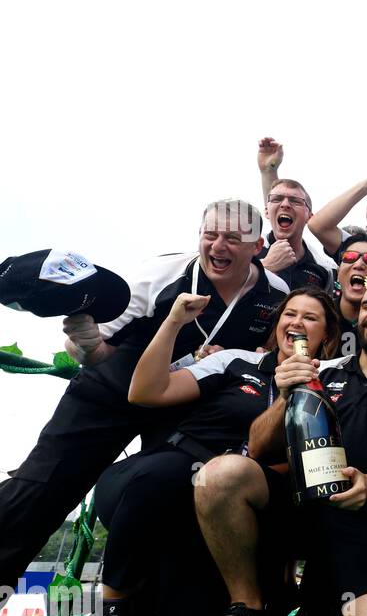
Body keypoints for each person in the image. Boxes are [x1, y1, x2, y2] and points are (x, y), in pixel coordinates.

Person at [0, 200, 289, 591]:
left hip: (181, 404)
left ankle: (142, 605)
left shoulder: (275, 293)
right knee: (43, 489)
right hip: (110, 393)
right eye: (210, 235)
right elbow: (97, 351)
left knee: (167, 494)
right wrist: (85, 345)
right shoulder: (160, 275)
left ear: (257, 247)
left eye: (233, 239)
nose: (218, 246)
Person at [78, 287, 340, 616]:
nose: (297, 322)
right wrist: (172, 323)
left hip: (219, 500)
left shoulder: (335, 375)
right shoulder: (236, 361)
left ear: (327, 336)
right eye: (289, 314)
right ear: (277, 324)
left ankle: (147, 609)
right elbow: (145, 392)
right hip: (160, 473)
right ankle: (113, 608)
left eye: (310, 318)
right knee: (166, 475)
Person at [173, 292, 367, 616]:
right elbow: (258, 449)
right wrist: (284, 396)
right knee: (219, 475)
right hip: (301, 508)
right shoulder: (323, 371)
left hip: (364, 520)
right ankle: (247, 609)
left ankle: (326, 595)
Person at [259, 179, 333, 291]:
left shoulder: (324, 268)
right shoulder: (247, 251)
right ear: (266, 212)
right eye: (277, 199)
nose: (285, 204)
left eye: (295, 201)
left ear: (309, 216)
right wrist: (266, 267)